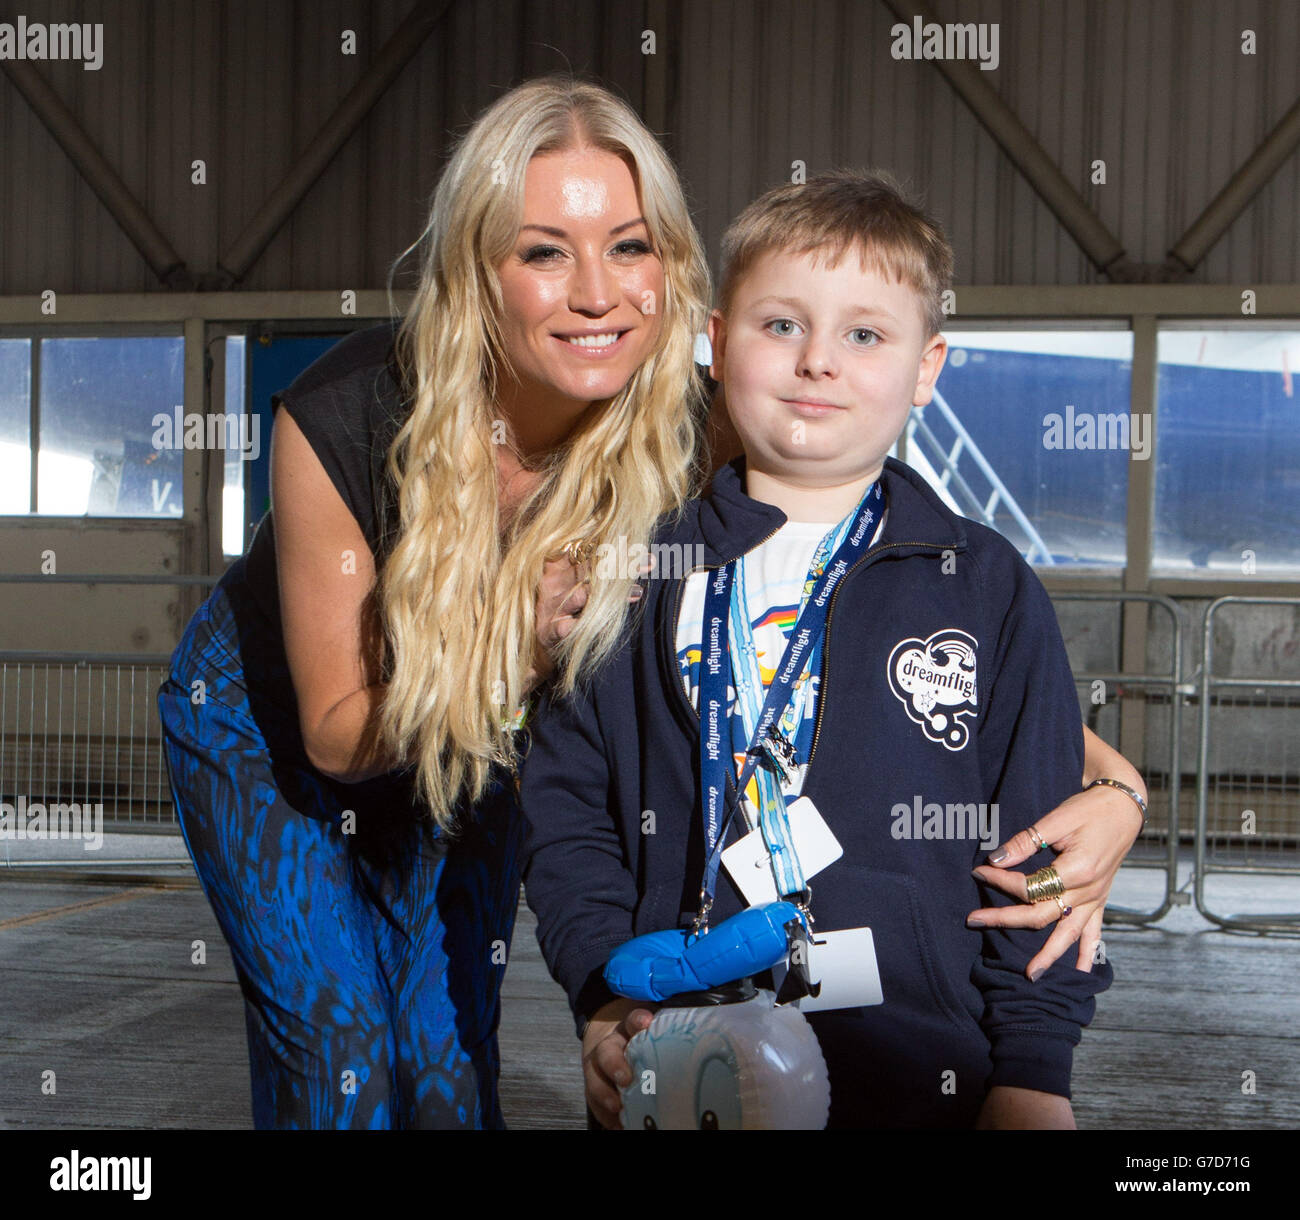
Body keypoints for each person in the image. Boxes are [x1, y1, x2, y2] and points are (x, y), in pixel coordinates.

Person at [158, 74, 1143, 1130]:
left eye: (627, 246)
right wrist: (520, 646)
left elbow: (897, 650)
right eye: (544, 250)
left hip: (486, 733)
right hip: (290, 730)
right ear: (478, 270)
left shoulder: (699, 415)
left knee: (444, 1064)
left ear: (670, 266)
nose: (597, 292)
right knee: (343, 1043)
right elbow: (341, 735)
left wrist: (1119, 789)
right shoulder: (350, 408)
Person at [519, 170, 1145, 1129]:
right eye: (781, 326)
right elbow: (567, 816)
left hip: (924, 1076)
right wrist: (605, 999)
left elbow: (1036, 850)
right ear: (718, 342)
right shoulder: (635, 571)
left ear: (926, 367)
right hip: (682, 1069)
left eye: (865, 334)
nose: (818, 361)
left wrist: (1033, 1073)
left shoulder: (984, 584)